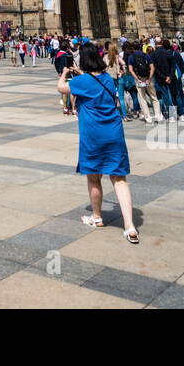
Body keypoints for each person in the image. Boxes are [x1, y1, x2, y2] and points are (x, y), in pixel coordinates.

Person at [58, 42, 138, 242]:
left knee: (94, 178)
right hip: (114, 133)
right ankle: (130, 226)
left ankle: (97, 217)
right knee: (119, 179)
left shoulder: (82, 82)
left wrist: (65, 72)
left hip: (92, 136)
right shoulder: (108, 79)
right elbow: (96, 81)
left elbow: (61, 88)